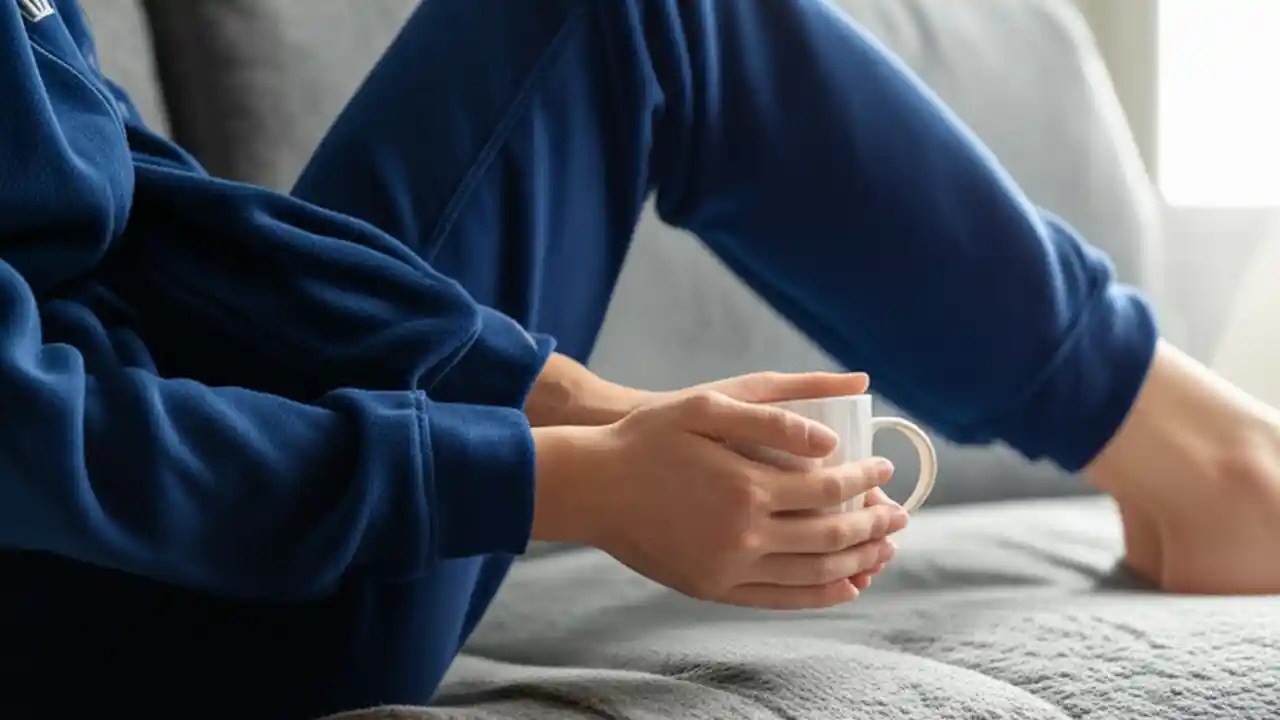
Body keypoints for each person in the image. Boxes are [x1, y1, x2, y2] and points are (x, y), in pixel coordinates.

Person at [2, 0, 1277, 717]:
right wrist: (562, 479)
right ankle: (1228, 473)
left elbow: (162, 226)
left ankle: (1201, 460)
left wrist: (566, 400)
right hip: (161, 613)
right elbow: (28, 442)